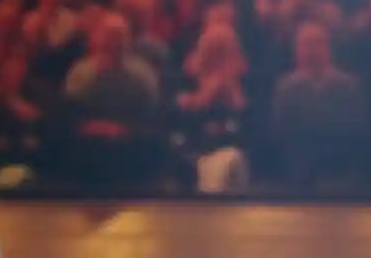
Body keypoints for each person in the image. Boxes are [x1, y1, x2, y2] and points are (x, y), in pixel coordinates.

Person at [62, 13, 162, 185]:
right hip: (89, 147)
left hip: (130, 147)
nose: (114, 43)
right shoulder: (80, 73)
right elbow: (69, 116)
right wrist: (95, 128)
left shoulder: (143, 75)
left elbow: (152, 119)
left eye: (119, 38)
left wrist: (123, 130)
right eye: (109, 37)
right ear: (97, 39)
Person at [272, 22, 365, 189]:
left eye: (316, 44)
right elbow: (282, 131)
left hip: (340, 173)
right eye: (306, 44)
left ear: (327, 48)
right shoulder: (285, 88)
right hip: (299, 175)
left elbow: (353, 128)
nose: (311, 51)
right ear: (296, 50)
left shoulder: (348, 85)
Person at [175, 22, 250, 193]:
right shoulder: (186, 81)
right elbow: (181, 122)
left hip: (235, 153)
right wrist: (204, 96)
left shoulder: (247, 82)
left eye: (223, 52)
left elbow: (250, 127)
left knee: (231, 160)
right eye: (212, 51)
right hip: (195, 154)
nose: (217, 58)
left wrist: (232, 92)